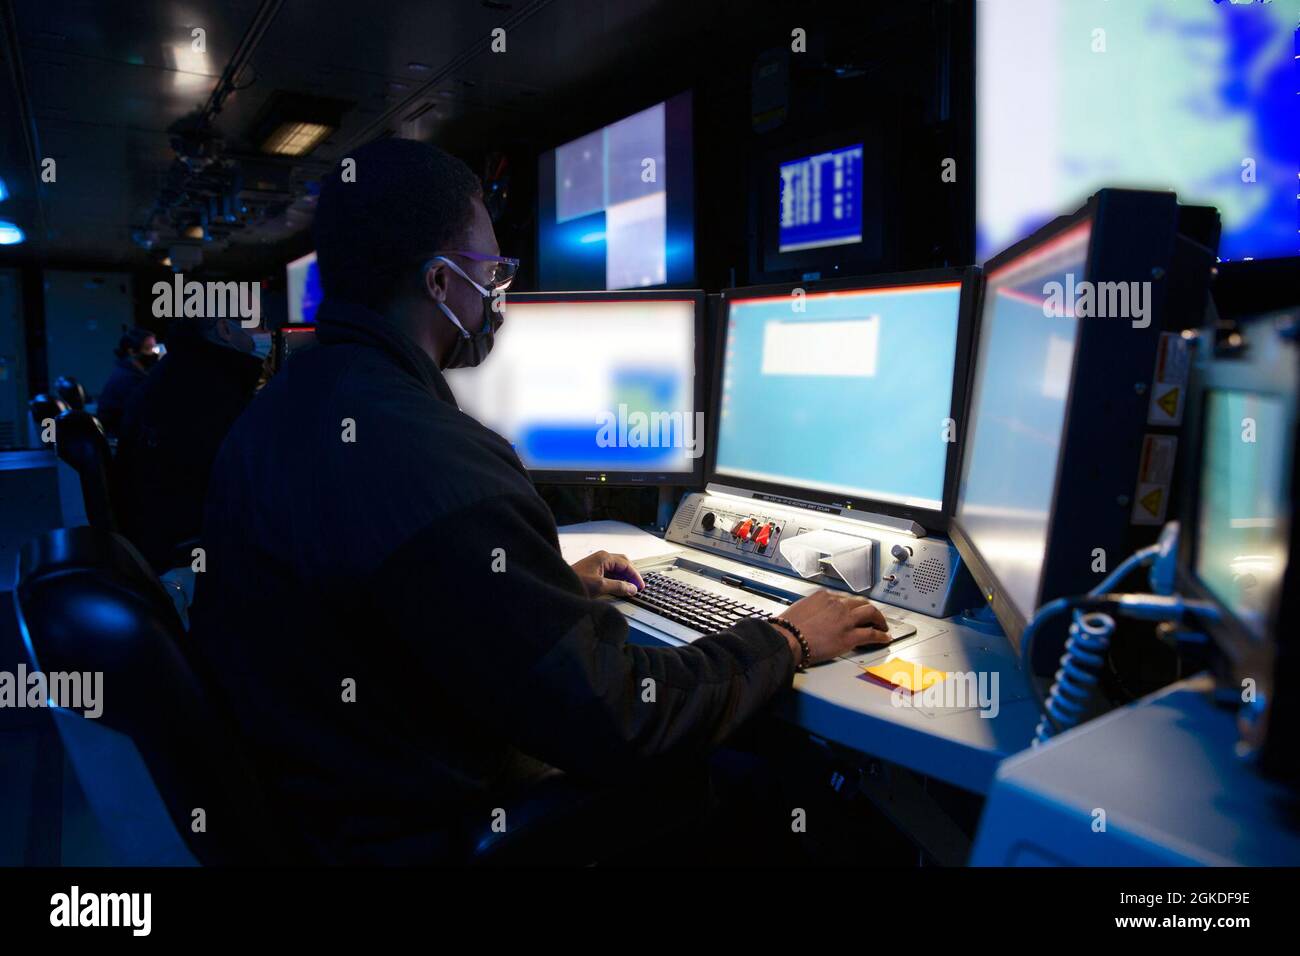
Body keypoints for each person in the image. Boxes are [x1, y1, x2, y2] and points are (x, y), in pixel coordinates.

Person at [189, 138, 891, 864]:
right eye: (491, 272)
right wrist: (784, 640)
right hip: (412, 833)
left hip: (324, 806)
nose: (498, 296)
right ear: (438, 283)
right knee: (766, 786)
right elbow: (622, 716)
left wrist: (541, 589)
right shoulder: (436, 457)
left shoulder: (275, 414)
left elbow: (385, 596)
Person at [114, 316, 265, 572]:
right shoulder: (210, 388)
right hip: (189, 546)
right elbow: (246, 481)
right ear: (225, 329)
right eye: (259, 325)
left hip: (155, 533)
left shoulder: (180, 372)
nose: (266, 333)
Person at [96, 327, 157, 437]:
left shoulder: (133, 372)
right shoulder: (127, 378)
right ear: (132, 351)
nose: (153, 353)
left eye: (154, 348)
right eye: (148, 349)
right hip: (119, 436)